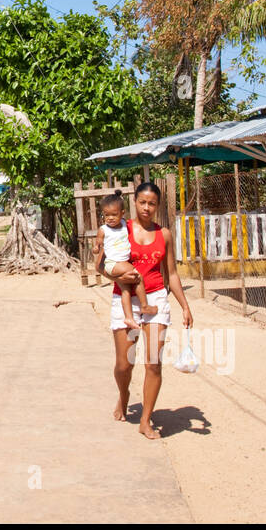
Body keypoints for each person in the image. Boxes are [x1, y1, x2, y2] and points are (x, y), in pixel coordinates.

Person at [107, 182, 193, 440]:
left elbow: (172, 274)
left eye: (152, 203)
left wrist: (185, 306)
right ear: (134, 202)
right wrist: (115, 275)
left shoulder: (164, 234)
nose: (146, 207)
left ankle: (146, 420)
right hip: (125, 298)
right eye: (142, 202)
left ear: (158, 206)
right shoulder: (121, 229)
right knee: (124, 363)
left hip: (156, 298)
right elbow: (102, 263)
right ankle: (124, 396)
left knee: (153, 363)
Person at [93, 194, 156, 329]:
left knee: (126, 291)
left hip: (118, 263)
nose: (110, 218)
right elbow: (98, 242)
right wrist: (96, 247)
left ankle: (128, 318)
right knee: (137, 276)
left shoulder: (123, 224)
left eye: (114, 214)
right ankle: (144, 305)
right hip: (114, 263)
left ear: (122, 213)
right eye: (106, 215)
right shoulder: (104, 229)